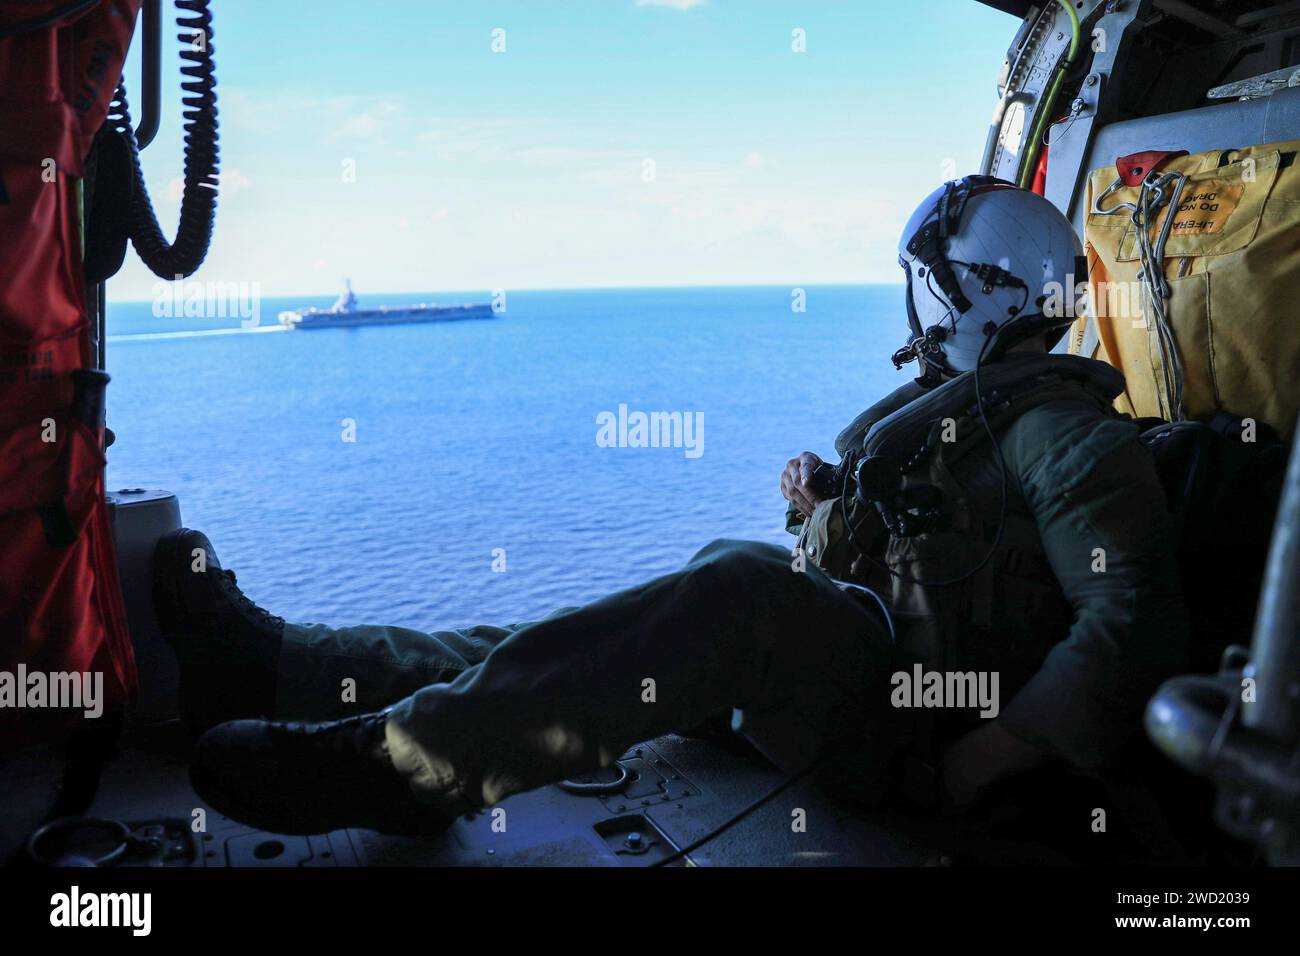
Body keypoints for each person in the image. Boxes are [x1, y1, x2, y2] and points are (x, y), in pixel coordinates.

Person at [157, 177, 1188, 837]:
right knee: (566, 636)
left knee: (738, 591)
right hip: (863, 678)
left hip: (912, 731)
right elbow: (946, 549)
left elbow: (1134, 612)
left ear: (978, 295)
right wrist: (824, 502)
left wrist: (990, 755)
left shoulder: (1066, 435)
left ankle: (405, 768)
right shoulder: (975, 415)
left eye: (932, 285)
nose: (918, 308)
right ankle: (291, 664)